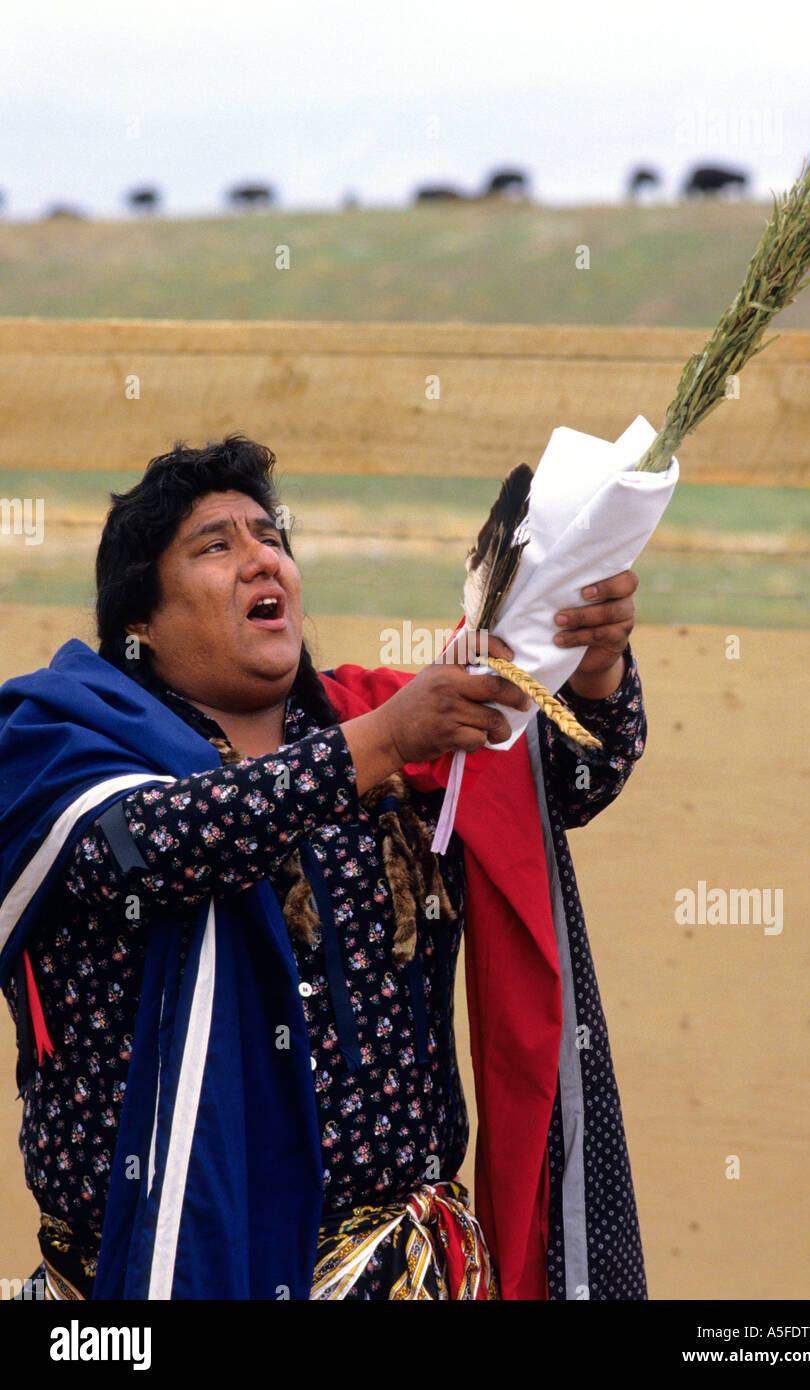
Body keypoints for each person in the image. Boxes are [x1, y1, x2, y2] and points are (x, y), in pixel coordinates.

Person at [0, 434, 647, 1300]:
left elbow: (560, 781)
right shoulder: (62, 744)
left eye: (271, 538)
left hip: (404, 1269)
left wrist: (593, 665)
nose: (261, 559)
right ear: (139, 624)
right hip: (155, 1273)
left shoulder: (377, 722)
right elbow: (149, 848)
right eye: (215, 545)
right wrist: (383, 741)